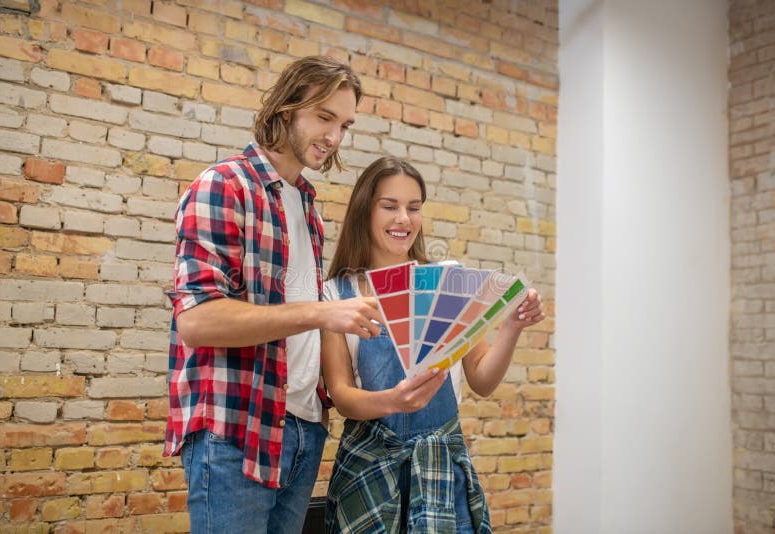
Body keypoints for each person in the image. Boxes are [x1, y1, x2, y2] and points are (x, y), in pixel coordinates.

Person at [165, 56, 384, 534]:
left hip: (303, 428)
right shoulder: (225, 185)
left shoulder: (307, 207)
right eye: (324, 117)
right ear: (287, 108)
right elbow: (197, 321)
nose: (334, 137)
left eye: (345, 125)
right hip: (238, 429)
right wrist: (322, 313)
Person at [322, 157, 545, 533]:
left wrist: (511, 327)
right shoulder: (337, 294)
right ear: (365, 210)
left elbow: (482, 380)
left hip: (441, 475)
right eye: (390, 206)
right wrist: (392, 401)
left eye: (413, 208)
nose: (403, 219)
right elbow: (341, 395)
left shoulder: (448, 281)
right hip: (368, 473)